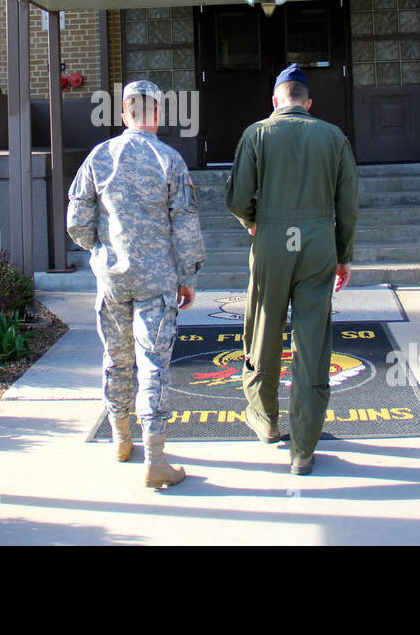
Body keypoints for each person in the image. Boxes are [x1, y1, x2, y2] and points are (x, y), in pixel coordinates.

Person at [67, 79, 205, 489]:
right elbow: (185, 223)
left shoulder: (99, 156)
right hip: (157, 279)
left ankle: (121, 440)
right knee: (154, 365)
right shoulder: (170, 160)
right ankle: (156, 458)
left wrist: (99, 251)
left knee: (116, 358)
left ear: (124, 113)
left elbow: (77, 219)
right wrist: (188, 275)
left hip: (112, 279)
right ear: (158, 115)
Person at [224, 63, 358, 475]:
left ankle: (265, 420)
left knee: (263, 326)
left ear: (276, 100)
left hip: (272, 239)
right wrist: (343, 253)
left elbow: (237, 196)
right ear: (308, 103)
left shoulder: (257, 133)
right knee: (313, 338)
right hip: (317, 239)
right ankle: (304, 446)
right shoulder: (333, 136)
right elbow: (348, 201)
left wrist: (252, 221)